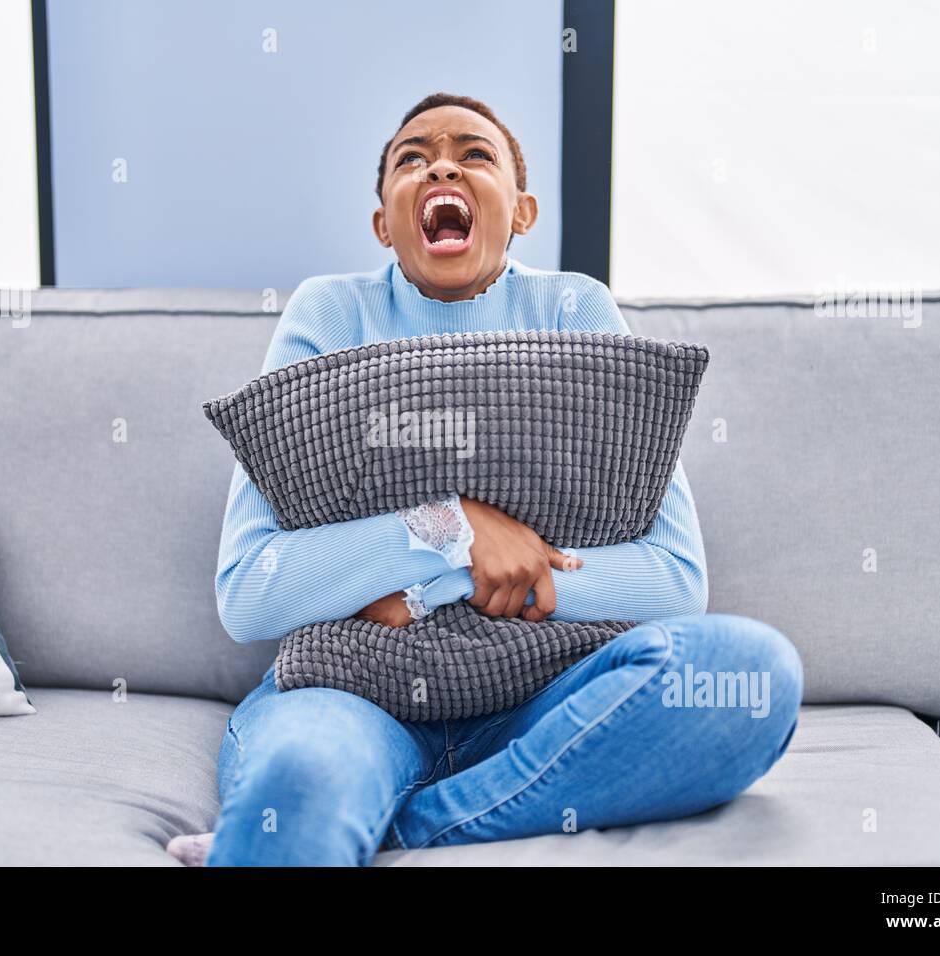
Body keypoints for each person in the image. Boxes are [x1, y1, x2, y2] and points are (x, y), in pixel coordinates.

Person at [169, 93, 802, 867]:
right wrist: (453, 526)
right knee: (303, 779)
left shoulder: (576, 310)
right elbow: (252, 591)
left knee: (751, 675)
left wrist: (426, 583)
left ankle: (402, 826)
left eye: (475, 154)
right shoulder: (329, 314)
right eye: (412, 157)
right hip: (353, 695)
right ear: (383, 224)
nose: (441, 163)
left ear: (522, 211)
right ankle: (363, 811)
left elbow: (672, 581)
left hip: (550, 699)